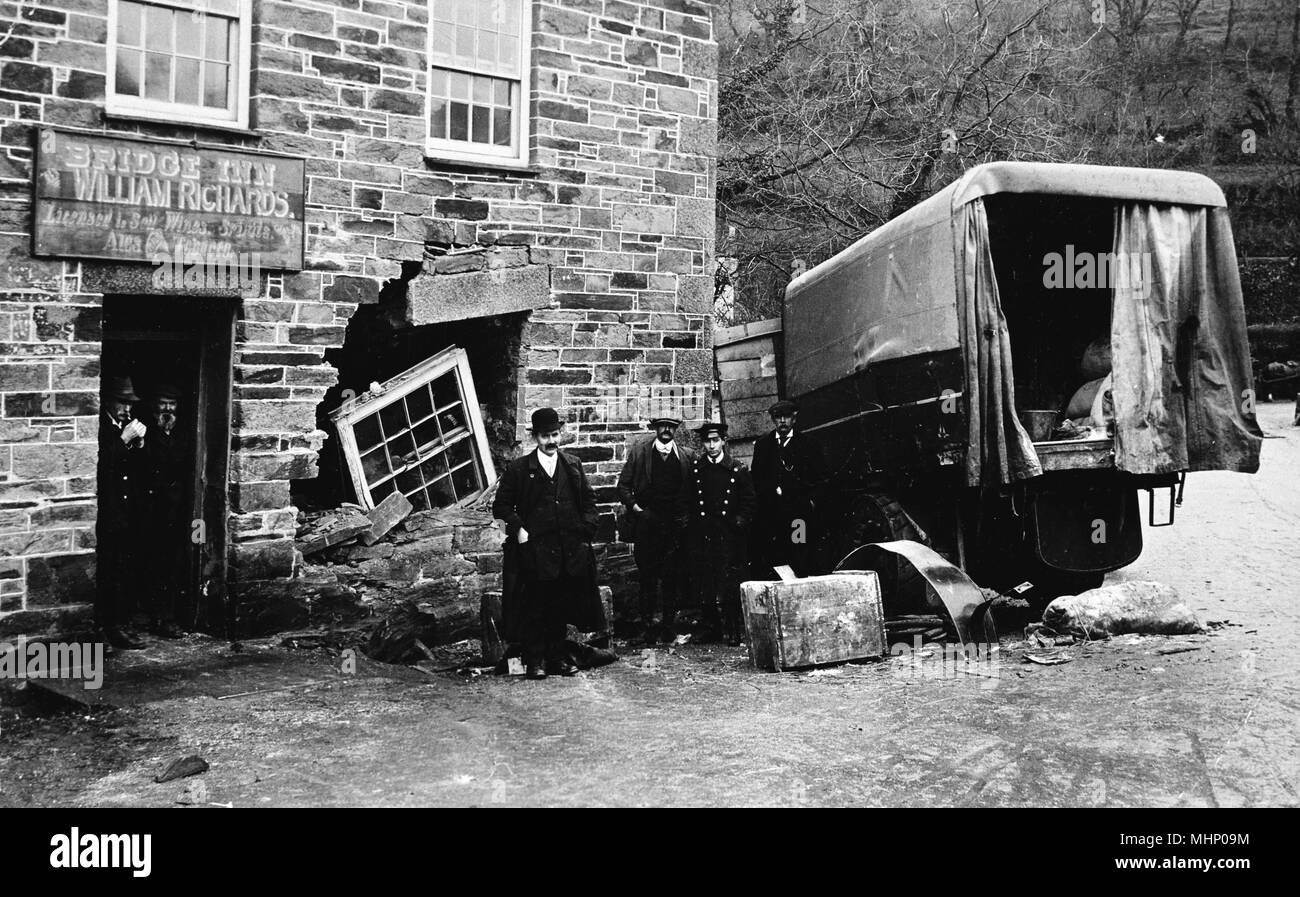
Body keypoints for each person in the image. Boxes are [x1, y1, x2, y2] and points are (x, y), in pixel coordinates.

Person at [492, 407, 606, 679]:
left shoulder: (573, 465)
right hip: (535, 552)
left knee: (560, 606)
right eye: (545, 436)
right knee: (534, 607)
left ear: (560, 434)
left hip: (568, 551)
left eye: (555, 434)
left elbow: (589, 503)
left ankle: (557, 659)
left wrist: (585, 532)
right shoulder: (520, 469)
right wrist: (518, 529)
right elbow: (501, 508)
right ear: (535, 438)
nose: (551, 441)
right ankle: (535, 661)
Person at [616, 415, 693, 642]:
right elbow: (623, 486)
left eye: (670, 427)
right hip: (648, 524)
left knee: (672, 576)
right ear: (656, 429)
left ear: (675, 430)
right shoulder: (641, 453)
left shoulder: (686, 456)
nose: (666, 430)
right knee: (647, 576)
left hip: (674, 525)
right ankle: (647, 626)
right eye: (662, 426)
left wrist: (684, 518)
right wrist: (637, 508)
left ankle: (668, 625)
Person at [683, 421, 756, 645]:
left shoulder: (737, 469)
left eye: (715, 440)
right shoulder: (697, 469)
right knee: (706, 581)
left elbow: (749, 502)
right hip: (704, 534)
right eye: (707, 441)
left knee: (730, 581)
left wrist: (739, 521)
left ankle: (733, 629)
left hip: (729, 534)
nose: (711, 445)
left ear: (724, 441)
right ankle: (710, 627)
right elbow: (689, 500)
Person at [96, 376, 148, 650]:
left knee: (123, 570)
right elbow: (100, 464)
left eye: (130, 404)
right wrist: (122, 440)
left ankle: (119, 625)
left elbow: (136, 473)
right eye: (122, 402)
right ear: (108, 400)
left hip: (126, 513)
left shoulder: (123, 426)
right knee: (106, 571)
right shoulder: (101, 425)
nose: (127, 409)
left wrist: (137, 446)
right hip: (106, 513)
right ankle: (104, 628)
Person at [750, 399, 828, 577]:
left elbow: (822, 478)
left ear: (794, 419)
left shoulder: (808, 443)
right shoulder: (763, 445)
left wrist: (811, 502)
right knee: (776, 557)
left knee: (800, 551)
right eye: (778, 417)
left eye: (786, 417)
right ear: (773, 420)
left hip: (799, 515)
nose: (782, 421)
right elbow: (756, 478)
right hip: (773, 514)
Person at [141, 383, 189, 637]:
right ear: (153, 406)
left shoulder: (184, 433)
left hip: (175, 512)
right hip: (148, 511)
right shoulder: (143, 431)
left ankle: (167, 617)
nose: (168, 408)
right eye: (163, 403)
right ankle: (148, 616)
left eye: (172, 404)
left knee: (172, 564)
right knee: (147, 563)